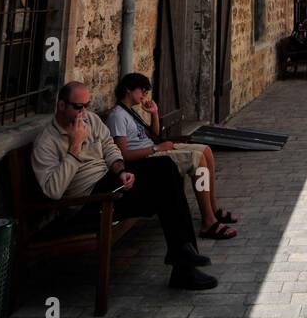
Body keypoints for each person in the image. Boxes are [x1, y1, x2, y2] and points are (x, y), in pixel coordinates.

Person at [32, 82, 217, 289]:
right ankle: (183, 262)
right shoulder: (46, 142)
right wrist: (75, 147)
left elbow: (110, 148)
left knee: (165, 168)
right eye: (78, 107)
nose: (83, 111)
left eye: (87, 105)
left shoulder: (90, 120)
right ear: (61, 106)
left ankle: (184, 254)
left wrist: (121, 171)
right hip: (89, 202)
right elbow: (53, 191)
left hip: (110, 183)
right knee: (166, 191)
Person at [107, 74, 237, 240]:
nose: (144, 95)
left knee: (206, 151)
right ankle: (208, 221)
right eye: (142, 90)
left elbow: (153, 135)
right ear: (128, 89)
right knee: (198, 159)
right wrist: (156, 149)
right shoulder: (117, 116)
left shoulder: (130, 112)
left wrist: (154, 114)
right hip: (147, 159)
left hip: (155, 149)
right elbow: (123, 154)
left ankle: (213, 208)